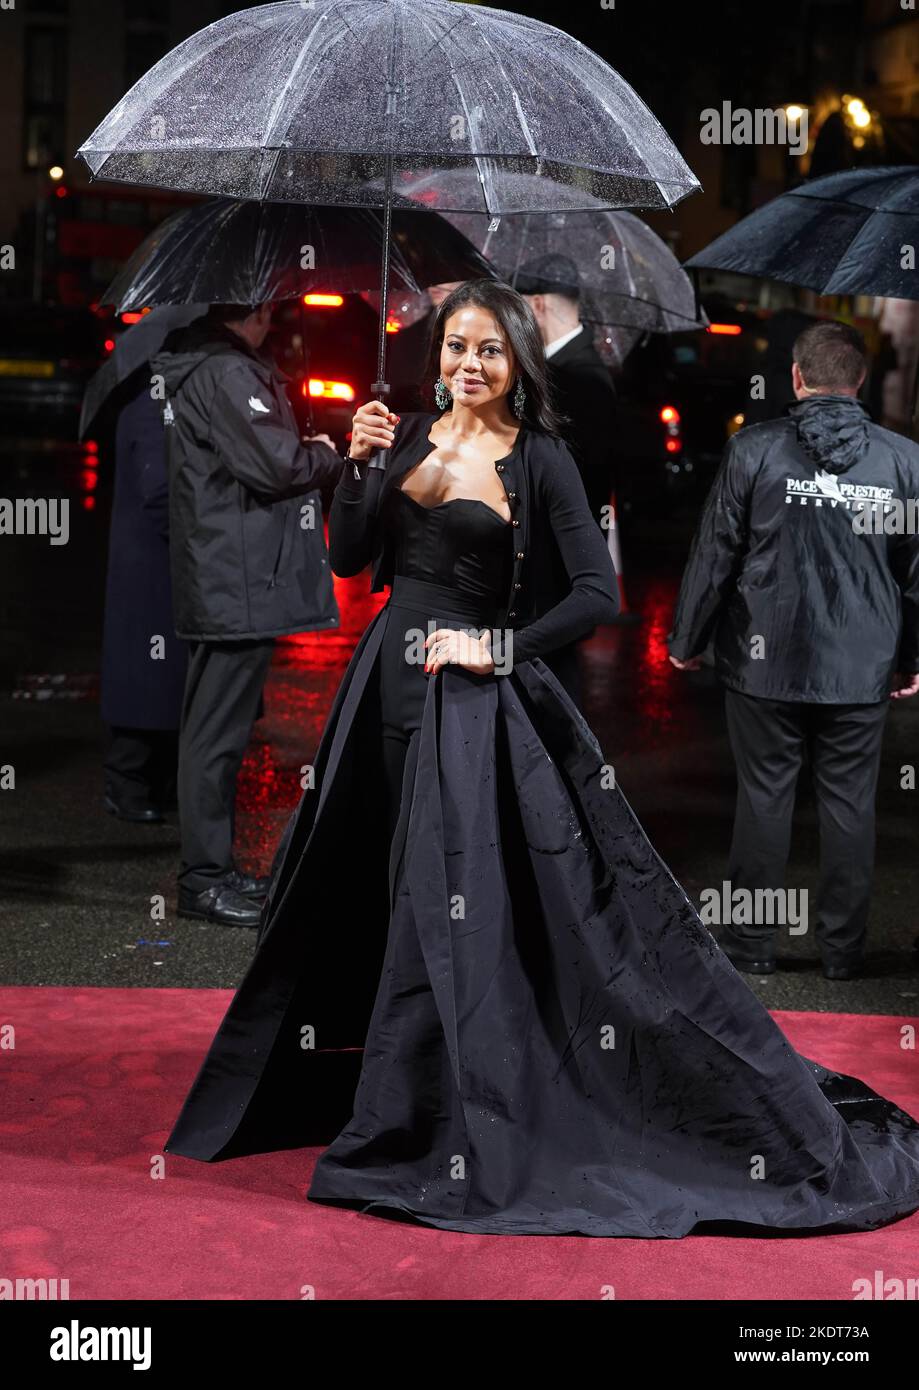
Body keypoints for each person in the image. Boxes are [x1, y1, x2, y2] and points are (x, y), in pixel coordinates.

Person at [164, 283, 919, 1239]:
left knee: (450, 896)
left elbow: (596, 594)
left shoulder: (542, 459)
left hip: (472, 704)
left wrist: (497, 645)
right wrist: (355, 466)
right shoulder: (400, 436)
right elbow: (354, 561)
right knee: (379, 881)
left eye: (487, 350)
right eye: (453, 348)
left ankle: (434, 1108)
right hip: (380, 695)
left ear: (518, 360)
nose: (466, 365)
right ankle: (389, 1087)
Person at [669, 320, 919, 980]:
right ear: (859, 382)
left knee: (763, 800)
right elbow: (912, 573)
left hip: (764, 662)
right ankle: (842, 954)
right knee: (848, 807)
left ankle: (751, 948)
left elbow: (716, 551)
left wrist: (687, 638)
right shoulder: (899, 461)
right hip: (857, 665)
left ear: (795, 377)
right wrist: (908, 659)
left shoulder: (753, 450)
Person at [150, 302, 342, 928]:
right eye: (270, 307)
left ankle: (213, 871)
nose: (276, 318)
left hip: (230, 577)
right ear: (251, 311)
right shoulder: (226, 372)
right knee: (215, 739)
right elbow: (275, 465)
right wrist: (323, 452)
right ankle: (203, 881)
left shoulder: (211, 366)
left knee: (215, 734)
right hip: (238, 582)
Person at [101, 376, 187, 822]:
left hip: (163, 564)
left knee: (162, 680)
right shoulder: (149, 406)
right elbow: (159, 492)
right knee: (146, 681)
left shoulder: (162, 399)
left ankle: (151, 783)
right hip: (152, 565)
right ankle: (127, 784)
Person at [516, 253, 617, 528]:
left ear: (537, 304)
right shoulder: (568, 365)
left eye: (519, 308)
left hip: (561, 539)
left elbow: (575, 473)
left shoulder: (580, 376)